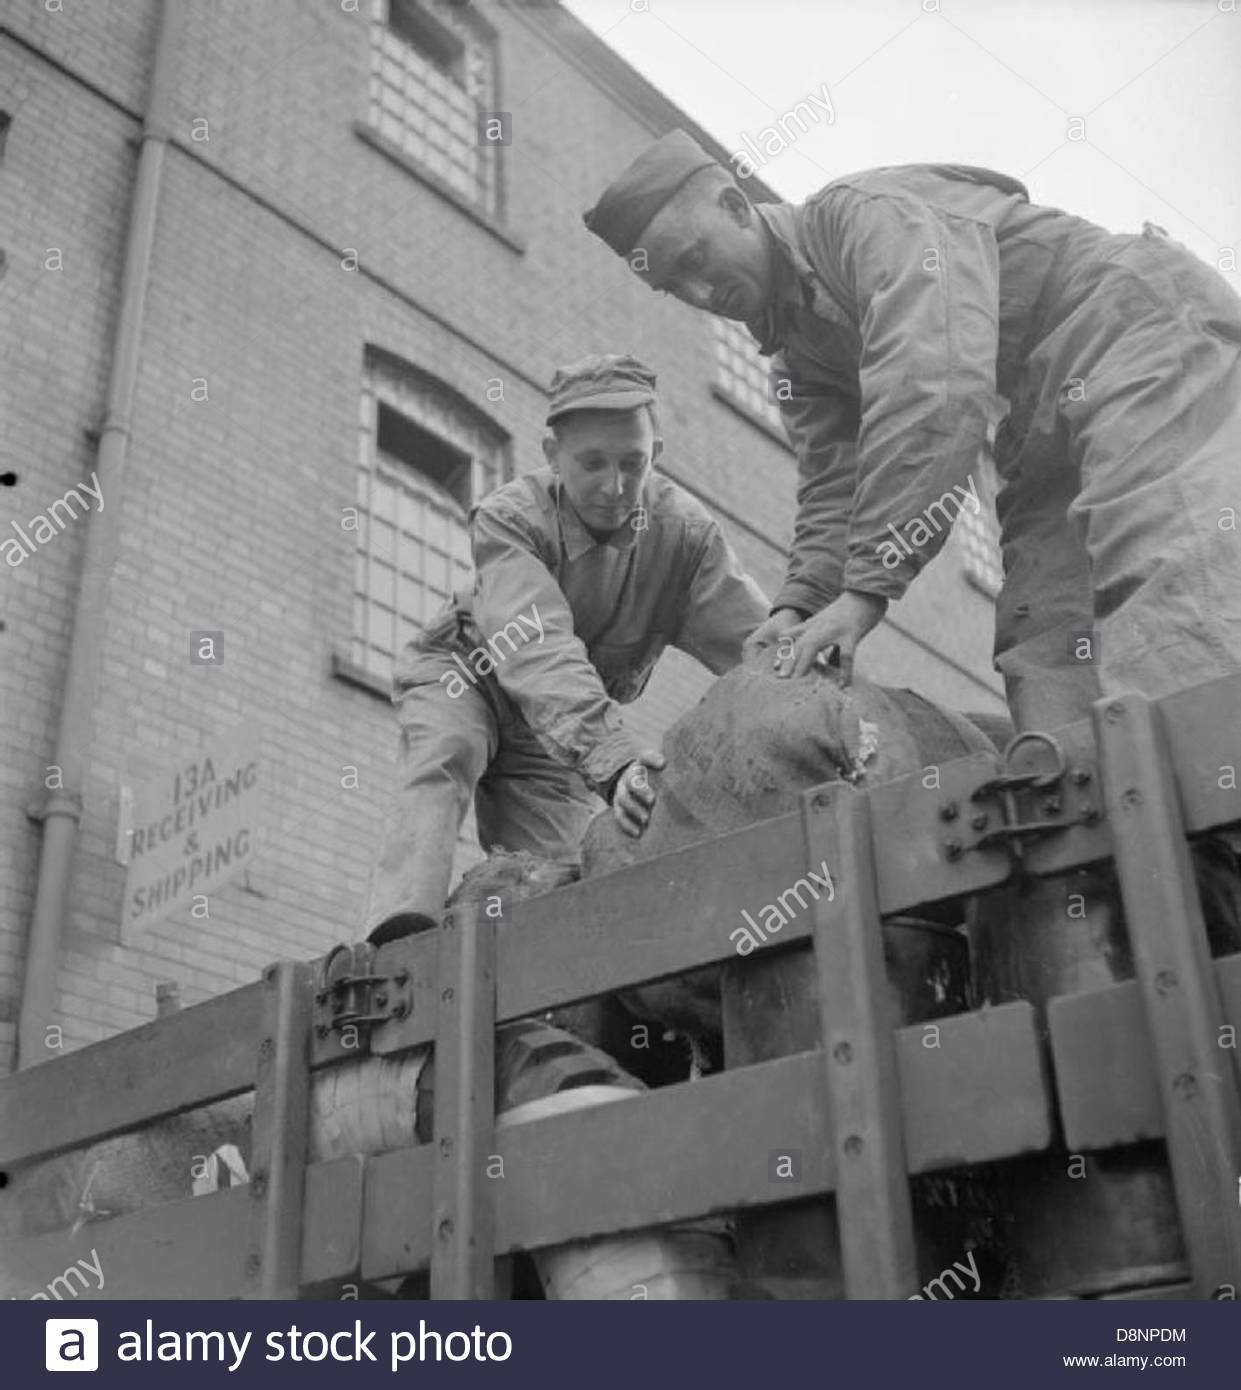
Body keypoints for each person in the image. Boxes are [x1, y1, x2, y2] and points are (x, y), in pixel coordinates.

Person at [583, 130, 1241, 734]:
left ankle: (1215, 796)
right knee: (1042, 636)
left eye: (695, 259)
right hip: (1039, 409)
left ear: (734, 205)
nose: (700, 292)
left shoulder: (858, 217)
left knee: (1155, 555)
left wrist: (865, 593)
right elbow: (834, 490)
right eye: (674, 287)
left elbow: (931, 382)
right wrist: (800, 610)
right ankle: (1108, 838)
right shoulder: (797, 356)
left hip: (1133, 325)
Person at [362, 353, 769, 946]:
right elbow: (536, 644)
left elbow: (759, 650)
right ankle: (394, 945)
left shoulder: (686, 540)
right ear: (552, 457)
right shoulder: (509, 519)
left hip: (549, 738)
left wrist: (825, 698)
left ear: (656, 455)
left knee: (561, 884)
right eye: (592, 463)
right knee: (444, 750)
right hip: (466, 675)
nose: (614, 486)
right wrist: (615, 759)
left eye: (633, 463)